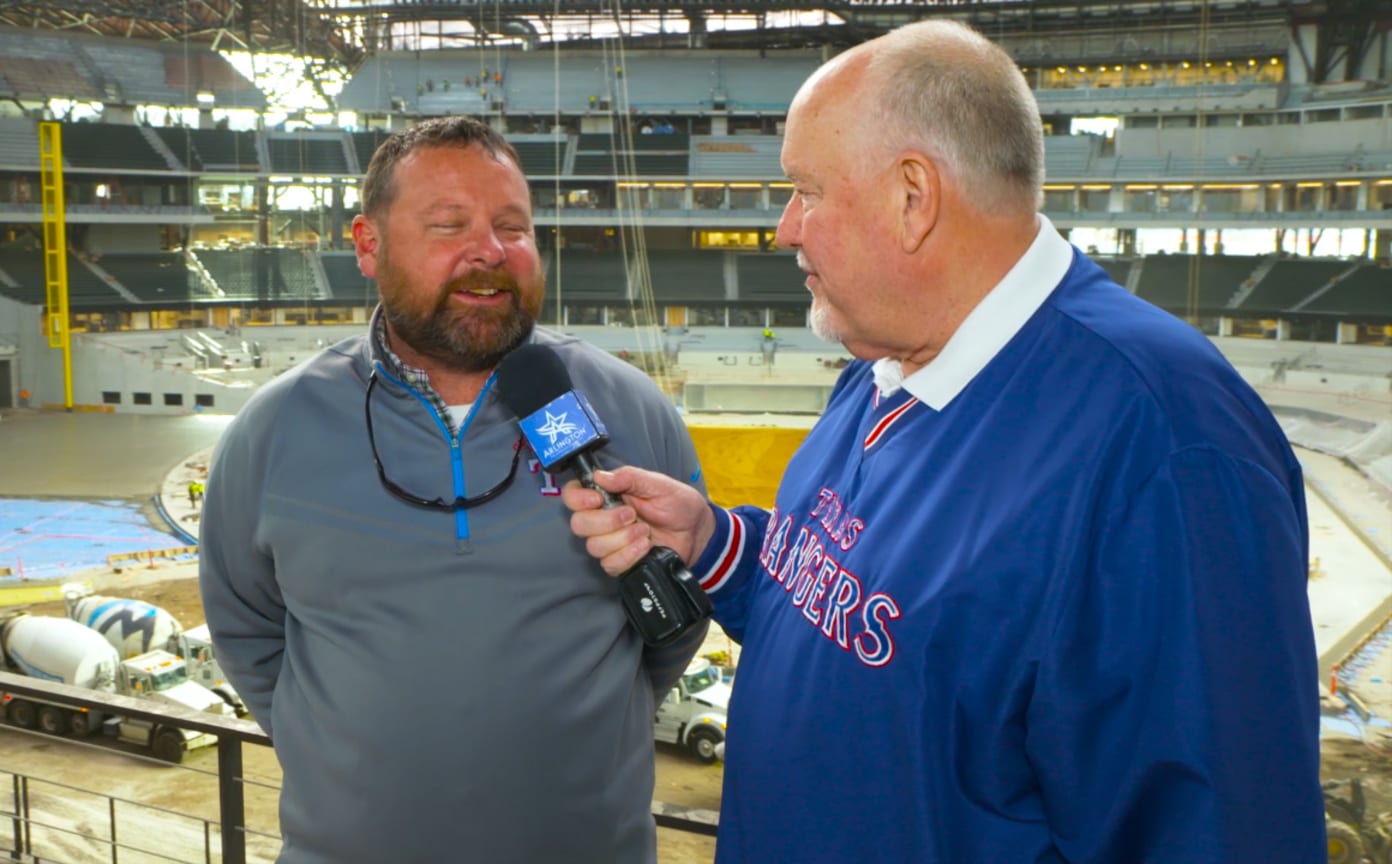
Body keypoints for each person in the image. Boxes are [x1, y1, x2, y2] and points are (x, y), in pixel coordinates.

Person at [561, 20, 1322, 864]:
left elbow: (1214, 833)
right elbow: (868, 608)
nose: (785, 227)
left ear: (913, 197)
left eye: (807, 190)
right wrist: (714, 544)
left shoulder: (1168, 452)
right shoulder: (886, 357)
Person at [198, 116, 707, 864]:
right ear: (368, 246)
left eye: (513, 227)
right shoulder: (272, 431)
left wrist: (587, 741)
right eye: (449, 226)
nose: (490, 253)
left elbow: (675, 618)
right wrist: (350, 761)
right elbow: (247, 632)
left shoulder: (631, 411)